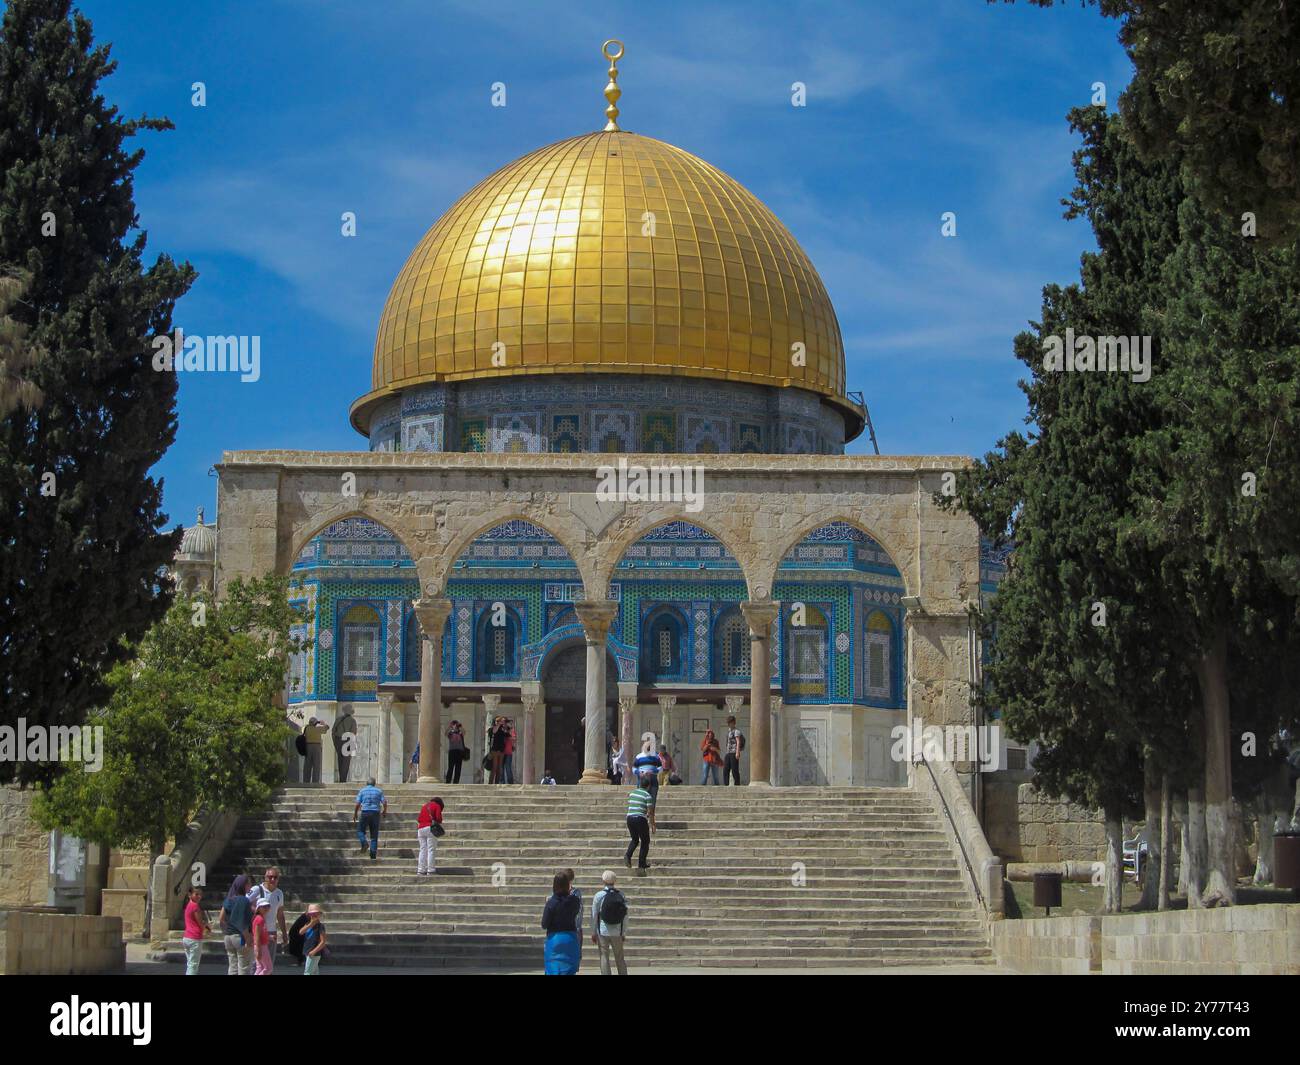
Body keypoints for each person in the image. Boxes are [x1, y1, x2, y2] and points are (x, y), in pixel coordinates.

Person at [245, 867, 287, 973]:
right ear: (265, 877)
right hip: (258, 930)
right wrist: (256, 910)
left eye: (275, 877)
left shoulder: (279, 893)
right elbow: (244, 903)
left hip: (271, 931)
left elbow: (280, 915)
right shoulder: (257, 889)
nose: (272, 879)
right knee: (257, 963)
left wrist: (284, 933)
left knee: (268, 964)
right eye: (270, 877)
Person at [540, 871, 582, 975]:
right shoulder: (575, 901)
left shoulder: (551, 903)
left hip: (555, 938)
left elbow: (544, 924)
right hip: (571, 937)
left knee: (553, 969)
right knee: (569, 970)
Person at [591, 870, 629, 976]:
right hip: (617, 931)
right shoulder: (621, 895)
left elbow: (594, 915)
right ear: (615, 881)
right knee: (620, 958)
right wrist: (624, 932)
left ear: (603, 880)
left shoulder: (599, 895)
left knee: (604, 956)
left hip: (603, 931)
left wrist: (593, 931)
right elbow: (625, 915)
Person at [220, 874, 254, 975]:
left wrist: (227, 931)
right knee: (244, 967)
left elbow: (221, 918)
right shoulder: (244, 900)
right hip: (240, 937)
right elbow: (241, 922)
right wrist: (247, 937)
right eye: (248, 883)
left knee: (233, 967)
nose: (250, 886)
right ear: (243, 885)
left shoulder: (228, 899)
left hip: (228, 937)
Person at [624, 772, 656, 870]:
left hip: (629, 818)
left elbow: (634, 804)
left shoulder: (632, 793)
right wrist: (652, 825)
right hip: (640, 819)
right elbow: (650, 812)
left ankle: (627, 856)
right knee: (645, 841)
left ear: (640, 785)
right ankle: (641, 863)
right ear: (648, 786)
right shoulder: (647, 795)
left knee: (635, 839)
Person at [354, 776, 387, 860]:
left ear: (367, 783)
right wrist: (384, 811)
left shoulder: (362, 791)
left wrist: (355, 814)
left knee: (360, 830)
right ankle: (373, 855)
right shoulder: (379, 791)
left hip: (365, 812)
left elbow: (358, 803)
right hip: (375, 813)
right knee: (374, 835)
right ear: (374, 784)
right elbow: (384, 802)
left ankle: (364, 842)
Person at [181, 885, 209, 976]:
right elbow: (200, 922)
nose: (199, 896)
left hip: (187, 937)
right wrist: (206, 928)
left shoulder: (188, 905)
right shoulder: (195, 906)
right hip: (194, 938)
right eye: (196, 894)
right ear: (190, 894)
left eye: (200, 894)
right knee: (193, 965)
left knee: (190, 963)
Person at [417, 795, 445, 875]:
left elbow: (419, 819)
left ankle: (421, 869)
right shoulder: (437, 806)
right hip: (430, 828)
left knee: (422, 849)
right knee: (431, 849)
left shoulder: (424, 806)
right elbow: (439, 818)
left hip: (420, 828)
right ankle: (431, 869)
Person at [332, 708, 356, 783]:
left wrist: (335, 743)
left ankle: (341, 778)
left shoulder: (338, 719)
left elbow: (333, 731)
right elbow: (354, 732)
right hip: (348, 741)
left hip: (339, 740)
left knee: (340, 761)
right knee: (346, 762)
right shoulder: (352, 720)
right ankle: (343, 780)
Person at [302, 716, 330, 783]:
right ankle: (315, 781)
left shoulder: (306, 728)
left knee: (307, 765)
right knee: (316, 765)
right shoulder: (318, 729)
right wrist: (322, 723)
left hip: (308, 746)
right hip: (316, 746)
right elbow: (327, 727)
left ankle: (306, 781)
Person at [302, 904, 327, 975]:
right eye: (312, 914)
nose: (313, 916)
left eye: (316, 914)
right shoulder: (307, 924)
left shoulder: (320, 926)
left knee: (307, 972)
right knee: (315, 972)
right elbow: (301, 932)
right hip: (308, 952)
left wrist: (314, 951)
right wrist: (310, 924)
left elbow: (323, 942)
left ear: (319, 915)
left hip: (314, 954)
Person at [251, 897, 273, 975]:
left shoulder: (260, 918)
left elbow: (261, 933)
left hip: (260, 945)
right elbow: (256, 935)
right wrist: (259, 949)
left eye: (267, 906)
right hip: (261, 946)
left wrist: (270, 937)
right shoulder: (259, 919)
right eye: (263, 907)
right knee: (268, 968)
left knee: (260, 967)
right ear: (258, 908)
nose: (266, 908)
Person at [724, 715, 745, 786]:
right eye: (728, 723)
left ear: (733, 723)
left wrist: (737, 752)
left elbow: (738, 741)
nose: (729, 724)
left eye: (730, 722)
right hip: (728, 752)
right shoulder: (729, 731)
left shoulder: (736, 731)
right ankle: (726, 785)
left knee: (734, 770)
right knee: (725, 769)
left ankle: (737, 784)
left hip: (734, 752)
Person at [489, 715, 509, 783]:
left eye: (499, 721)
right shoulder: (492, 728)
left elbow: (508, 735)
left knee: (499, 769)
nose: (498, 722)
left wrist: (505, 726)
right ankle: (490, 783)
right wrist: (498, 724)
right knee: (494, 768)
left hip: (501, 751)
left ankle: (496, 783)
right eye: (497, 721)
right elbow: (494, 731)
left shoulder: (502, 729)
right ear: (494, 722)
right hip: (495, 750)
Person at [502, 718, 517, 784]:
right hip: (501, 752)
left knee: (508, 767)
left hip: (508, 752)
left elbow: (514, 738)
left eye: (506, 723)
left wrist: (507, 735)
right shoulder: (501, 730)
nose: (505, 724)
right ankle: (502, 782)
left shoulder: (511, 730)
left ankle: (510, 782)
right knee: (501, 768)